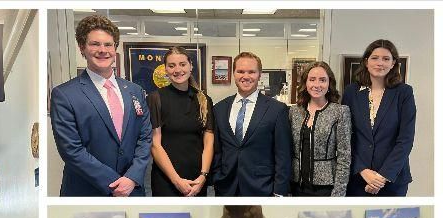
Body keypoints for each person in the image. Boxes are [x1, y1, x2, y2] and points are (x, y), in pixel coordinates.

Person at [50, 14, 152, 196]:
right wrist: (113, 183)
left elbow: (144, 138)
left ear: (115, 48)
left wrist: (132, 177)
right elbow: (71, 150)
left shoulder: (135, 91)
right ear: (82, 48)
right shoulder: (64, 94)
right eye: (95, 44)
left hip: (132, 189)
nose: (102, 50)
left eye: (108, 44)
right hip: (87, 191)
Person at [342, 39, 416, 196]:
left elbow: (405, 139)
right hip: (358, 178)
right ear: (366, 61)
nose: (380, 63)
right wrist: (362, 169)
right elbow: (345, 137)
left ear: (393, 63)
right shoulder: (351, 92)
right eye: (375, 58)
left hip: (392, 180)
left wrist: (381, 178)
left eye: (386, 59)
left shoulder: (404, 92)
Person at [211, 52, 291, 196]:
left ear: (259, 75)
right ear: (233, 74)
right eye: (240, 71)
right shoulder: (219, 108)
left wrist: (279, 192)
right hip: (226, 187)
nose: (246, 76)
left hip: (262, 188)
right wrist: (217, 177)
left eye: (251, 72)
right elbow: (217, 150)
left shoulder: (277, 109)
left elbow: (283, 155)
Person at [147, 46, 215, 196]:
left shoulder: (204, 100)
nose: (177, 70)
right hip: (166, 179)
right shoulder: (155, 99)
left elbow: (209, 142)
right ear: (165, 69)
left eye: (182, 64)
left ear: (191, 66)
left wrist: (203, 176)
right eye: (171, 66)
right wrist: (176, 180)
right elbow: (155, 144)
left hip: (197, 179)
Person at [289, 61, 352, 196]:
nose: (317, 85)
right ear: (305, 83)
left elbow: (344, 156)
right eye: (312, 79)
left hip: (325, 188)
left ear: (329, 84)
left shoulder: (340, 112)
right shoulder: (294, 111)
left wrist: (338, 192)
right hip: (295, 186)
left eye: (322, 80)